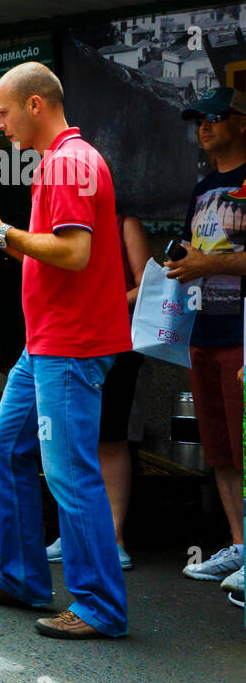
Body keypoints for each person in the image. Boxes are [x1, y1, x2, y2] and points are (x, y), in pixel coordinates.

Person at [0, 62, 130, 640]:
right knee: (4, 445)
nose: (0, 125)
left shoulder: (71, 163)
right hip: (48, 344)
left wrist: (0, 235)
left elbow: (74, 253)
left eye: (3, 113)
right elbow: (50, 252)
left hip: (70, 345)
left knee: (69, 471)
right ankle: (25, 577)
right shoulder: (61, 161)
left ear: (34, 105)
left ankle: (100, 607)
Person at [165, 86, 246, 589]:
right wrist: (181, 260)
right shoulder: (201, 188)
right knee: (217, 447)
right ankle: (239, 546)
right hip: (203, 329)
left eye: (215, 116)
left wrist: (207, 262)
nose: (205, 125)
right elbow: (194, 254)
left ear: (241, 123)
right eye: (199, 118)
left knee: (245, 445)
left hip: (242, 330)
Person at [45, 213, 150, 571]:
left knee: (110, 437)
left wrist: (106, 304)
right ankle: (74, 534)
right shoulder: (62, 228)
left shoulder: (124, 225)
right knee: (68, 438)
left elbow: (148, 284)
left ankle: (115, 539)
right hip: (68, 340)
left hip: (116, 343)